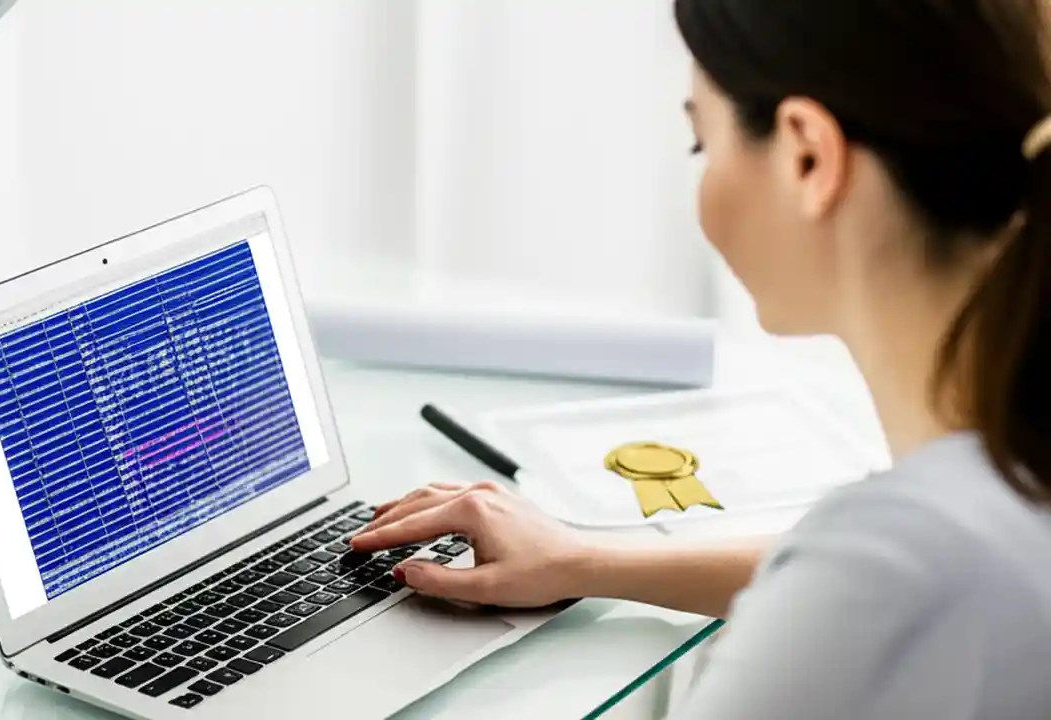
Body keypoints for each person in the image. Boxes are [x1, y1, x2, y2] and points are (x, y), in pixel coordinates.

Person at [349, 0, 1051, 717]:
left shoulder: (892, 574)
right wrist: (584, 559)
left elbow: (872, 585)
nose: (703, 188)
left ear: (808, 156)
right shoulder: (983, 498)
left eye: (702, 146)